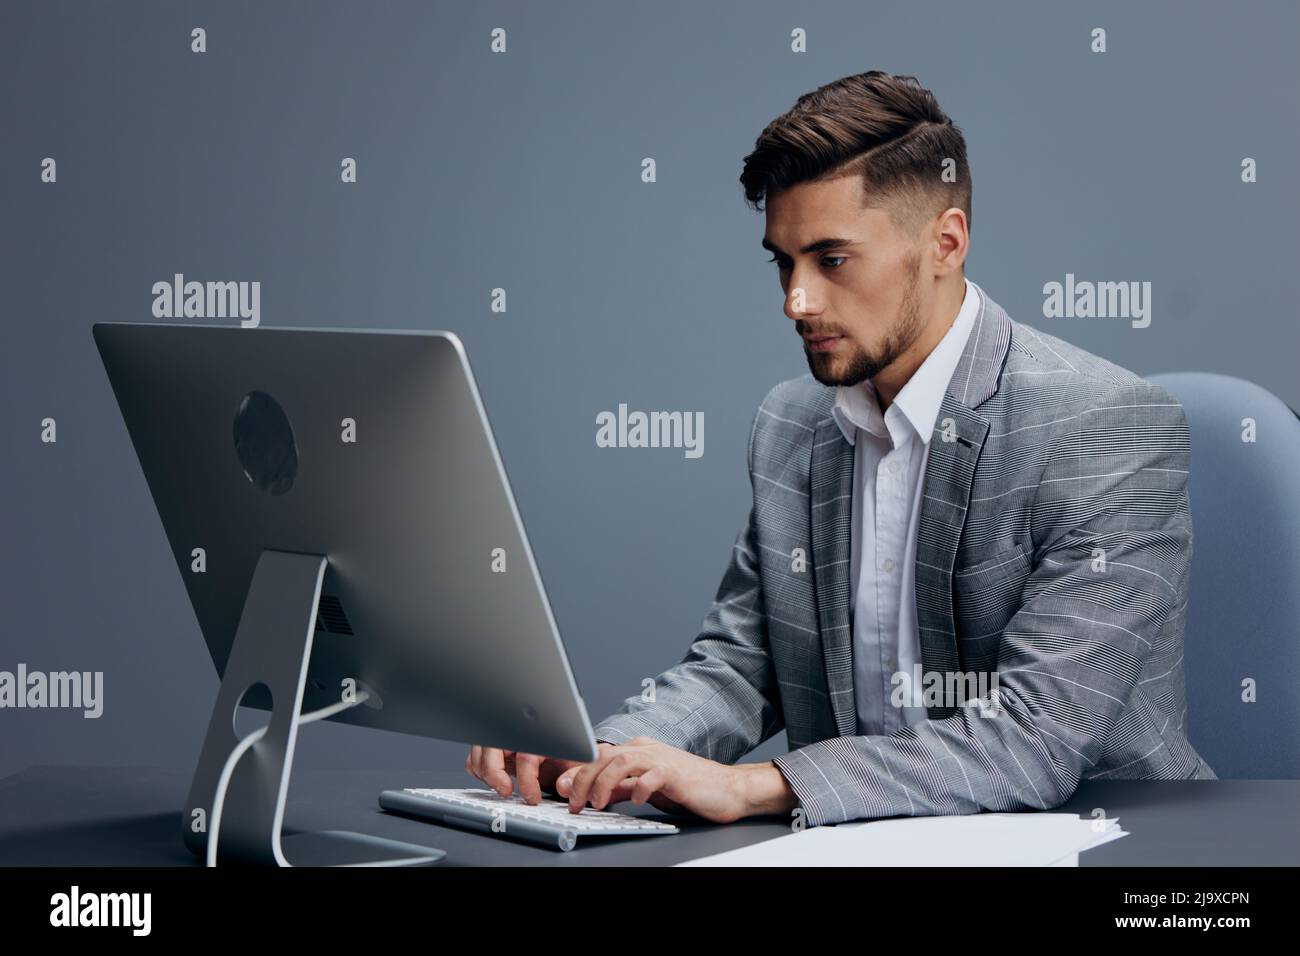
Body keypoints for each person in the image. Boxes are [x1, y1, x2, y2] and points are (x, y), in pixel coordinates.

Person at [467, 70, 1215, 827]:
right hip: (859, 843)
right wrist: (608, 751)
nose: (797, 300)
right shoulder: (792, 423)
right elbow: (740, 667)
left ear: (945, 242)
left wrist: (757, 785)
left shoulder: (1105, 424)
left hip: (1105, 842)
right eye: (782, 262)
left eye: (831, 259)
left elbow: (1033, 738)